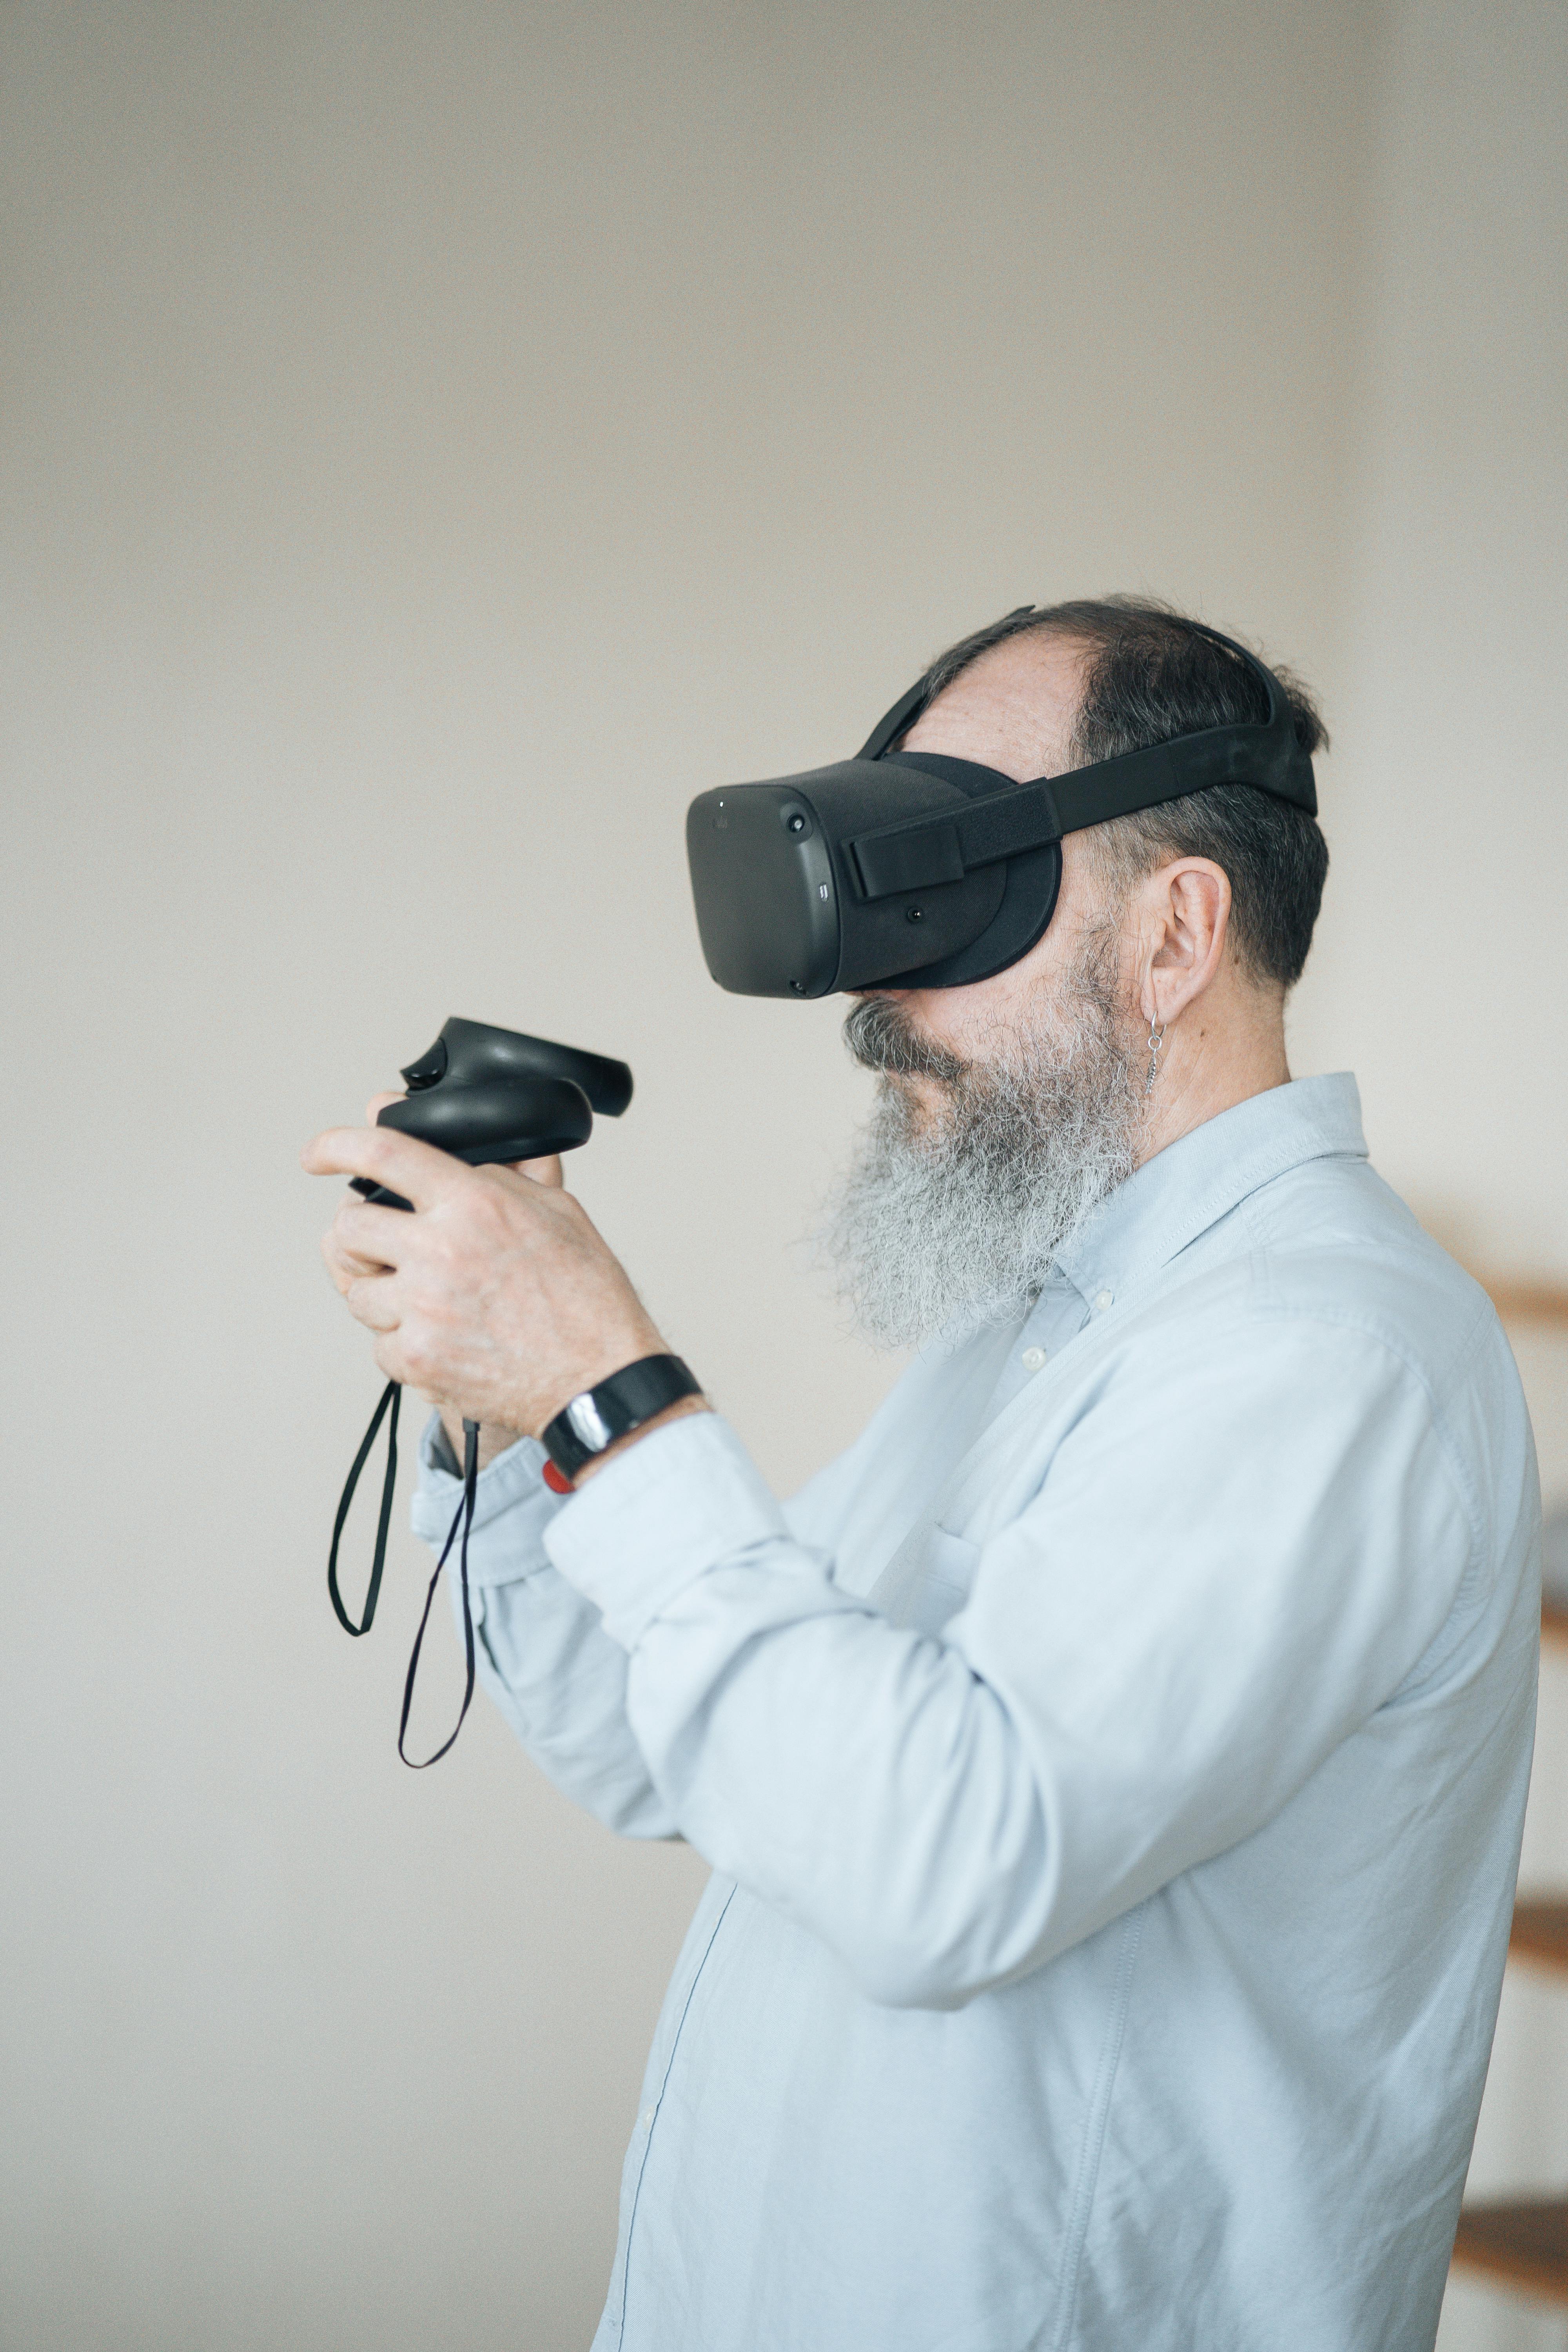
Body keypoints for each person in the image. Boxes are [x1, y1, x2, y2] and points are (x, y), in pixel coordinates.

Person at [305, 598, 1541, 2352]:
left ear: (1176, 933)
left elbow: (945, 1871)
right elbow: (671, 1734)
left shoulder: (1318, 1353)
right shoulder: (1038, 1327)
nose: (878, 1002)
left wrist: (605, 1380)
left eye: (949, 893)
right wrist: (508, 1409)